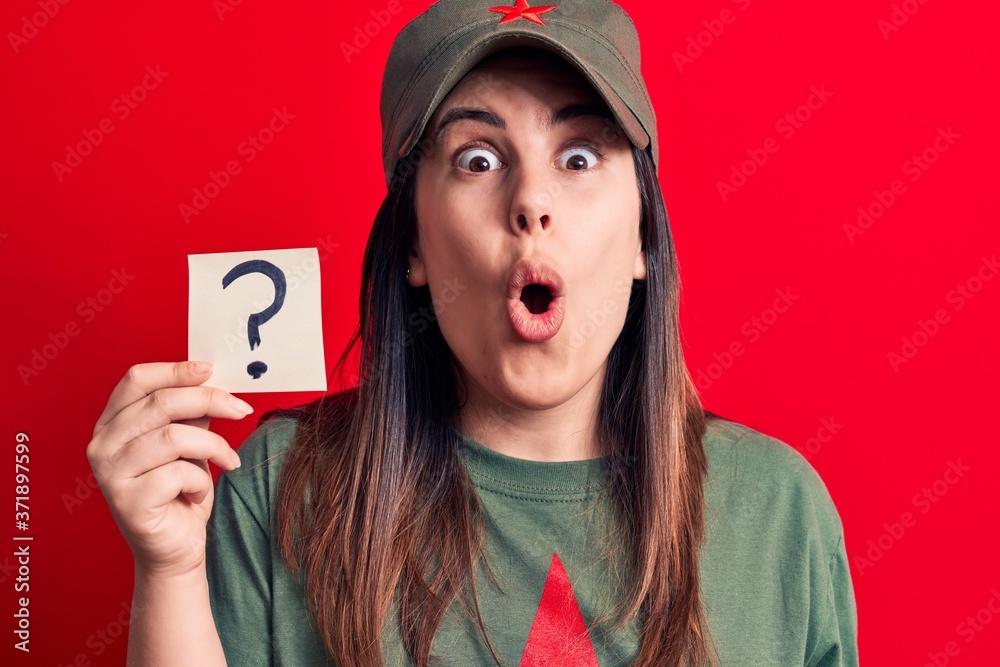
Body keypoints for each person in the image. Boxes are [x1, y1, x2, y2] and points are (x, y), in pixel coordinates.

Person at [87, 1, 859, 665]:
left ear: (642, 242)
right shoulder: (283, 488)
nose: (531, 202)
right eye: (478, 158)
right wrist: (169, 570)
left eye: (580, 155)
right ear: (415, 246)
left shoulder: (778, 512)